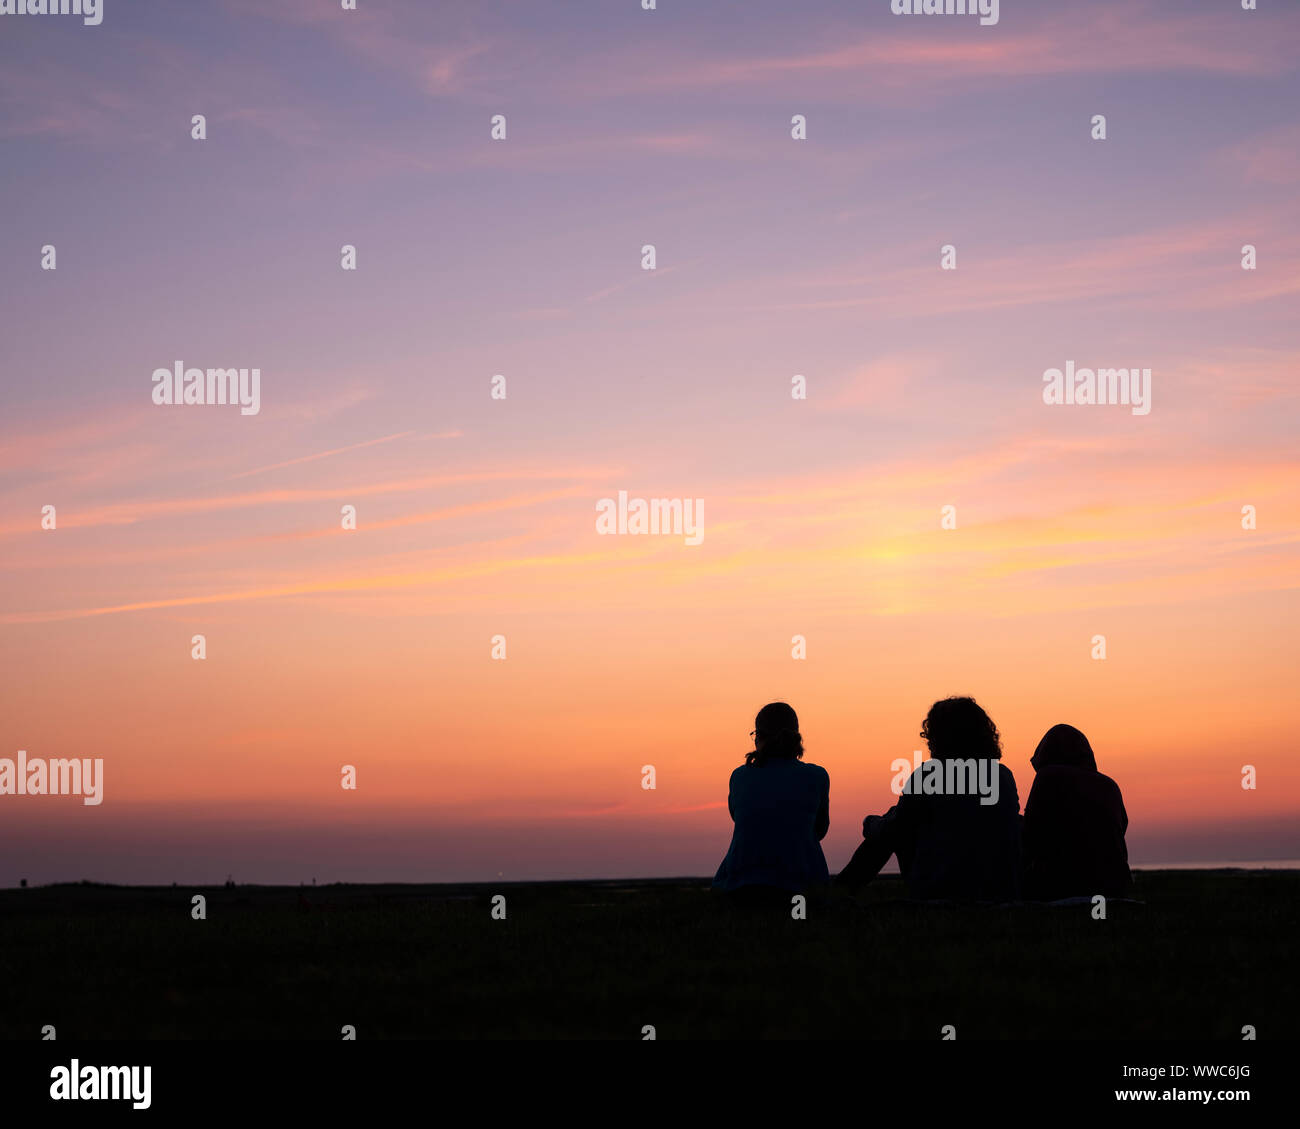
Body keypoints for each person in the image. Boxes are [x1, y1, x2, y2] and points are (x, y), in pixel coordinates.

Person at [838, 696, 1021, 900]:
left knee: (891, 825)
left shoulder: (930, 776)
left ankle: (839, 892)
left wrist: (870, 824)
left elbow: (895, 830)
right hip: (1000, 891)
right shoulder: (1004, 776)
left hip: (940, 891)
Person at [712, 702, 830, 900]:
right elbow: (820, 830)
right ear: (796, 736)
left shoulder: (739, 776)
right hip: (798, 888)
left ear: (758, 736)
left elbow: (743, 821)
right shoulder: (816, 776)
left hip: (739, 890)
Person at [1022, 724, 1132, 900]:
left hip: (1064, 885)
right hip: (1116, 887)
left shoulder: (1048, 776)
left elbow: (1031, 835)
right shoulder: (1110, 785)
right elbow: (1121, 827)